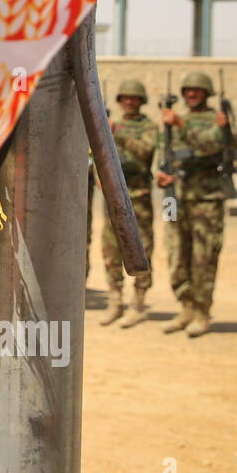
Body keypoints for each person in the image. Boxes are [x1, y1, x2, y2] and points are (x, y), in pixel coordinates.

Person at [156, 71, 228, 337]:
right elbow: (163, 153)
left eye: (197, 90)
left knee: (203, 258)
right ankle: (185, 306)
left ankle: (201, 312)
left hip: (205, 200)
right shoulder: (170, 121)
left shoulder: (216, 120)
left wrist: (180, 124)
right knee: (176, 255)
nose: (191, 94)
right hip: (175, 198)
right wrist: (160, 174)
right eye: (188, 90)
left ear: (206, 92)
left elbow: (212, 145)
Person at [101, 79, 158, 327]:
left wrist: (118, 134)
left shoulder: (148, 127)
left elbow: (145, 151)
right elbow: (99, 155)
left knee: (141, 249)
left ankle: (139, 303)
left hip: (139, 197)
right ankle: (115, 301)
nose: (130, 101)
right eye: (125, 98)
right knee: (111, 250)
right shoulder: (109, 124)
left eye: (134, 98)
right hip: (113, 198)